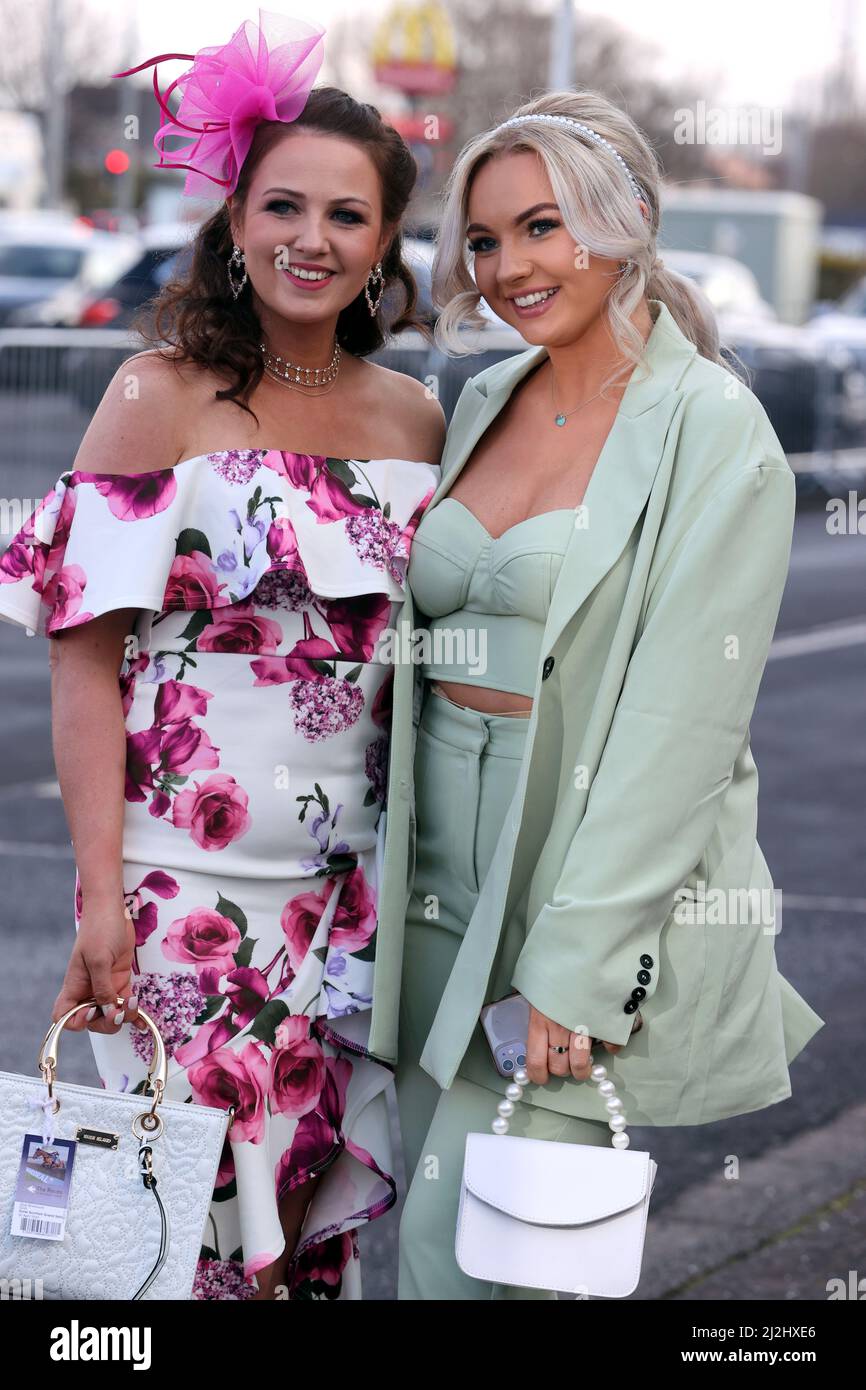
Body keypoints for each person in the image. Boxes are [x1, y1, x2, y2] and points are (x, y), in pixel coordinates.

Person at [0, 13, 443, 1301]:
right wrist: (98, 900)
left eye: (347, 216)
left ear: (381, 242)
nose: (312, 238)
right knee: (168, 1233)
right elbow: (82, 659)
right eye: (283, 206)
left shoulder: (414, 417)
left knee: (304, 1227)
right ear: (235, 220)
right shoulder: (157, 394)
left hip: (343, 911)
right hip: (179, 897)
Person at [395, 89, 825, 1299]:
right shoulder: (480, 400)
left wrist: (580, 962)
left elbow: (683, 726)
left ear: (627, 217)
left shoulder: (712, 427)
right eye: (483, 240)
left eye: (543, 226)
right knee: (435, 1225)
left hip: (572, 873)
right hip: (434, 876)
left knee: (482, 1261)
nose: (508, 267)